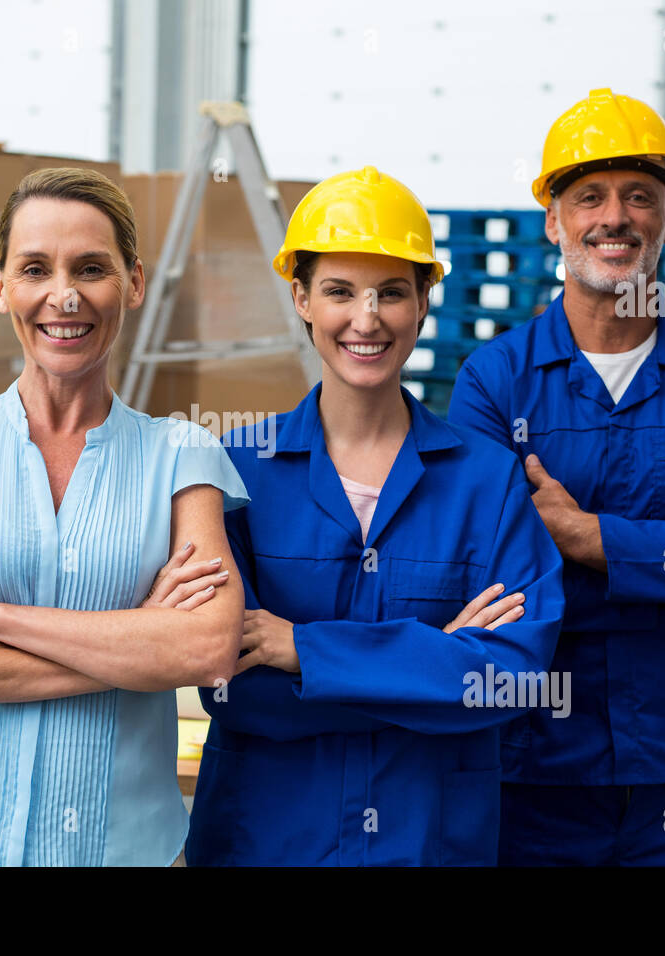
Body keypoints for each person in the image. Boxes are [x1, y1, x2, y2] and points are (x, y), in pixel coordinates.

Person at [447, 88, 665, 866]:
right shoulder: (495, 380)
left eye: (641, 196)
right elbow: (481, 583)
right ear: (554, 221)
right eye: (589, 197)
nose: (616, 217)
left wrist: (578, 536)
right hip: (532, 763)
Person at [0, 166, 248, 867]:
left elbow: (204, 651)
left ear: (132, 281)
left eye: (90, 268)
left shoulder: (182, 455)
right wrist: (135, 649)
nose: (63, 295)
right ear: (2, 284)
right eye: (36, 268)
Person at [184, 167, 566, 866]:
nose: (367, 319)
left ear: (424, 302)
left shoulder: (487, 481)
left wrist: (302, 650)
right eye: (339, 291)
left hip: (426, 842)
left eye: (392, 292)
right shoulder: (235, 470)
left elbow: (512, 679)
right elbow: (229, 687)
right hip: (268, 841)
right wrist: (434, 661)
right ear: (301, 298)